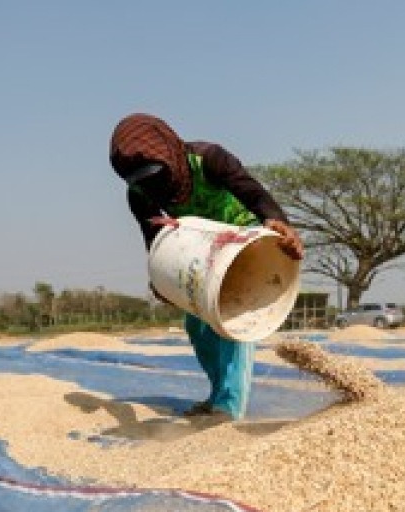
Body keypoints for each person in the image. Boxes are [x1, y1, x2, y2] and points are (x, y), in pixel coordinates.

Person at [109, 113, 304, 421]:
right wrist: (160, 279)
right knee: (198, 327)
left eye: (156, 175)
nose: (153, 185)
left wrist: (277, 222)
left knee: (229, 323)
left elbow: (251, 192)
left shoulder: (208, 159)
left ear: (170, 154)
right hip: (197, 256)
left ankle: (228, 408)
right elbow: (156, 239)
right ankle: (217, 396)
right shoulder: (139, 194)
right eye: (141, 180)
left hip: (243, 246)